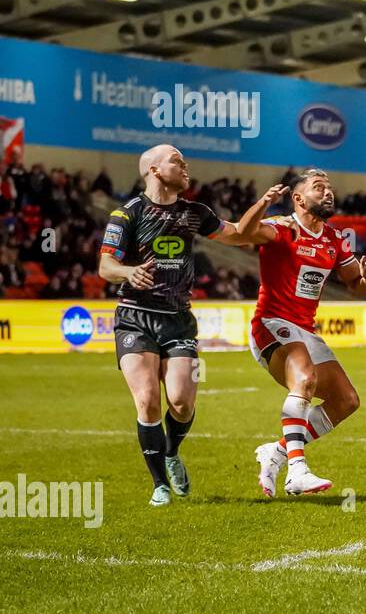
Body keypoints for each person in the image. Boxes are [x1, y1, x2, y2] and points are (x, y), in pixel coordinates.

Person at [98, 145, 265, 507]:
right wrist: (129, 271)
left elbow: (237, 233)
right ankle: (159, 484)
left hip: (179, 321)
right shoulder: (127, 215)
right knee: (148, 402)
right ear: (154, 170)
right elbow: (106, 267)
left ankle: (171, 452)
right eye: (177, 161)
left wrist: (264, 209)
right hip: (135, 317)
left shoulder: (196, 213)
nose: (185, 166)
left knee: (181, 404)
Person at [233, 170, 366, 497]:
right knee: (304, 378)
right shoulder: (281, 227)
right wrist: (263, 203)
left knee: (346, 400)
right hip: (271, 325)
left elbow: (356, 286)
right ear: (299, 199)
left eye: (330, 188)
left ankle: (276, 452)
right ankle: (297, 472)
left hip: (304, 330)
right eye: (319, 188)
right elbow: (242, 233)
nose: (328, 193)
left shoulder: (333, 239)